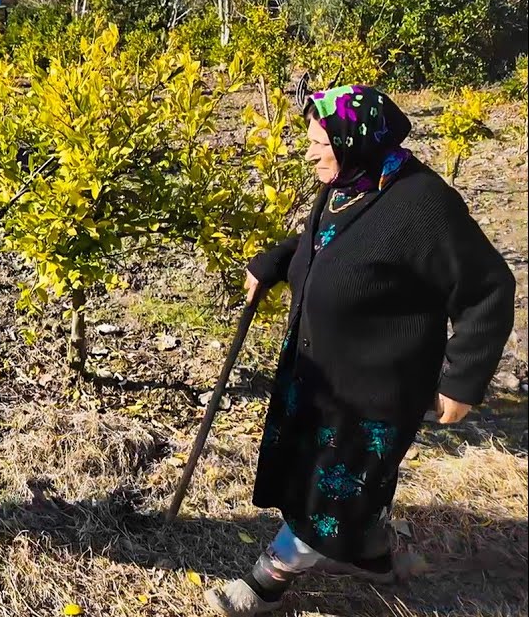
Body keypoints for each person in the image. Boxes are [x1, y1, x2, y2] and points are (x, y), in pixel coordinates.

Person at [205, 85, 516, 615]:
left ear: (355, 140)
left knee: (330, 493)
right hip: (321, 378)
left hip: (375, 389)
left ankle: (267, 581)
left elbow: (489, 289)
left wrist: (462, 380)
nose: (308, 154)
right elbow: (325, 243)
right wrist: (276, 261)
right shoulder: (350, 183)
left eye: (318, 143)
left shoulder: (424, 205)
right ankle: (372, 553)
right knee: (324, 478)